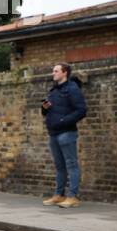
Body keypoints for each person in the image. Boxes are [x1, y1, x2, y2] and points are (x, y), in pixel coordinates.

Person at [41, 62, 87, 208]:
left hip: (67, 133)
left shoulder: (73, 89)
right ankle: (59, 195)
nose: (53, 73)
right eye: (53, 71)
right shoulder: (53, 91)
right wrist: (44, 108)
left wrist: (63, 121)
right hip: (53, 134)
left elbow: (81, 110)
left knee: (72, 164)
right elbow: (46, 112)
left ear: (64, 73)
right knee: (60, 166)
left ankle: (73, 196)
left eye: (56, 71)